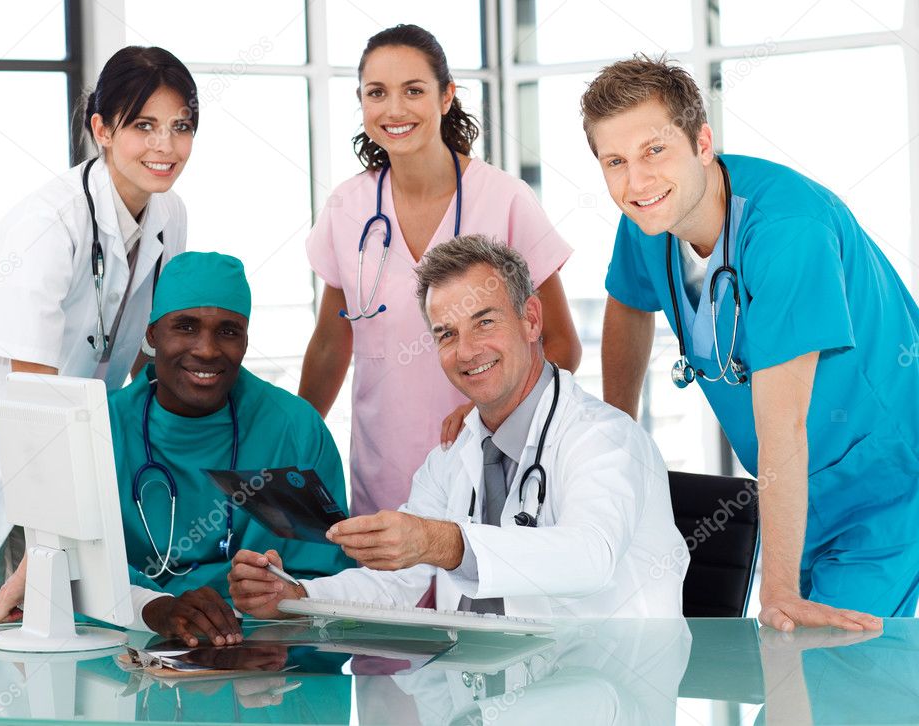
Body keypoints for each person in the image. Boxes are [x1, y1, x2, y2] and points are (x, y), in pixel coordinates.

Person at [582, 55, 919, 630]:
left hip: (885, 488)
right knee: (798, 688)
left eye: (654, 151)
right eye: (615, 161)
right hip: (794, 493)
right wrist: (619, 434)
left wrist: (780, 590)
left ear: (703, 142)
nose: (635, 181)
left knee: (827, 679)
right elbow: (629, 303)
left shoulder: (787, 230)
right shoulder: (649, 220)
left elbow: (782, 422)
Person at [0, 46, 198, 629]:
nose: (165, 146)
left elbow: (144, 358)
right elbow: (34, 401)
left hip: (58, 458)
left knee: (53, 657)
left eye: (180, 127)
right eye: (143, 125)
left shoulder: (170, 214)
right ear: (102, 129)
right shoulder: (48, 226)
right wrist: (46, 545)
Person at [231, 236, 686, 619]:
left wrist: (444, 542)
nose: (466, 351)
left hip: (609, 697)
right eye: (446, 333)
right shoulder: (452, 455)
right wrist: (298, 597)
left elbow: (591, 558)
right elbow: (397, 584)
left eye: (484, 321)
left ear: (531, 320)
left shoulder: (605, 438)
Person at [0, 252, 354, 645]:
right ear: (151, 335)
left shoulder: (294, 428)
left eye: (228, 331)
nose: (207, 350)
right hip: (123, 644)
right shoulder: (96, 426)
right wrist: (156, 605)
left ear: (246, 340)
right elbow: (69, 567)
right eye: (186, 327)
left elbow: (325, 577)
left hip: (266, 650)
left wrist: (270, 595)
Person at [299, 24, 581, 517]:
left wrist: (487, 410)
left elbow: (560, 343)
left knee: (474, 586)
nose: (395, 109)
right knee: (378, 591)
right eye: (377, 93)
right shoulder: (348, 206)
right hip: (380, 470)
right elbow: (330, 342)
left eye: (414, 90)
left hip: (486, 457)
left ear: (446, 96)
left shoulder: (505, 199)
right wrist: (294, 443)